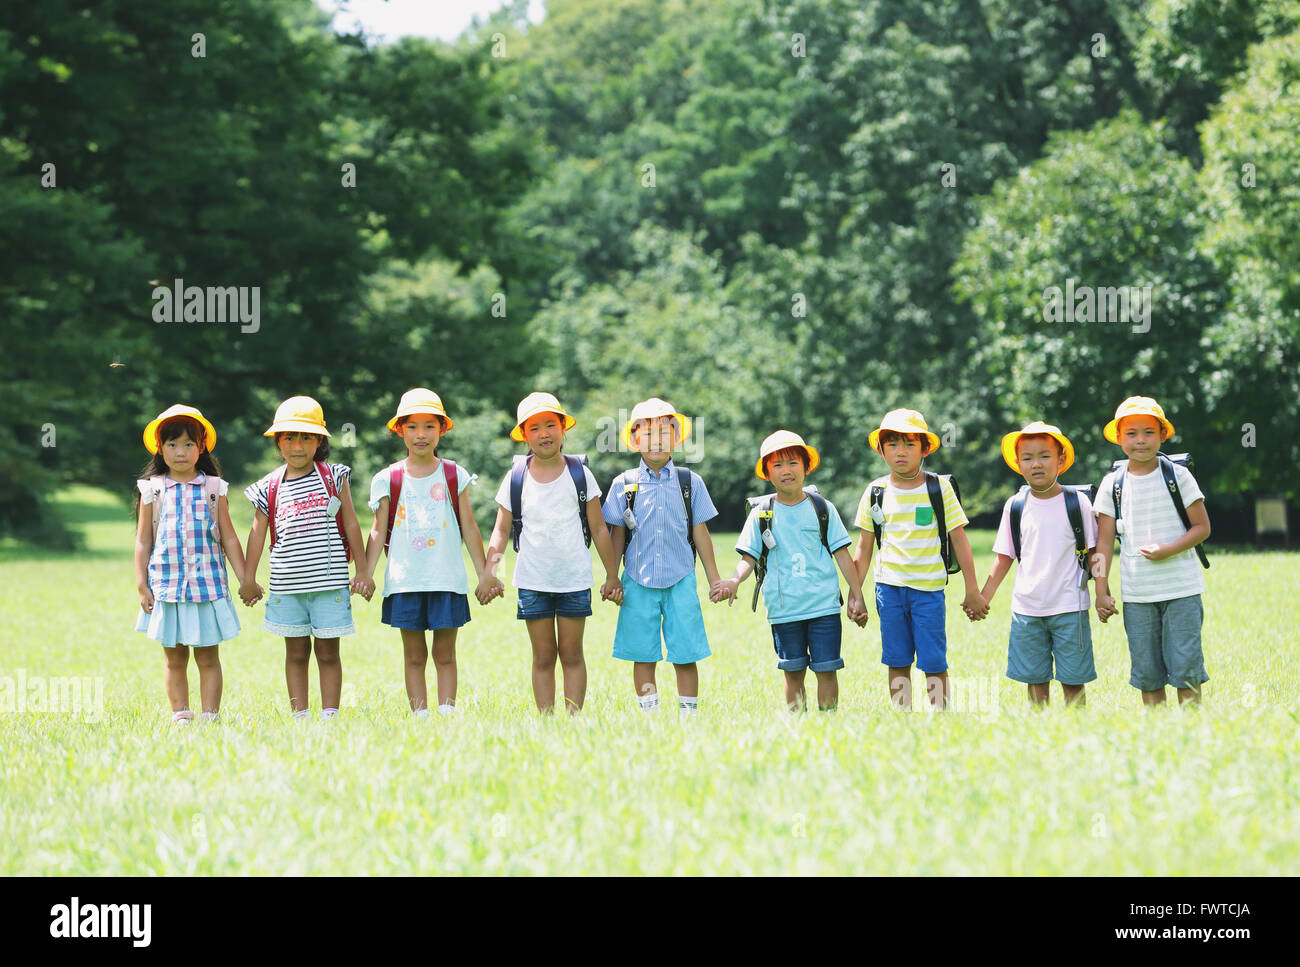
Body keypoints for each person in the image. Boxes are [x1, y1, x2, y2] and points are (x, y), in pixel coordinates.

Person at [363, 388, 502, 718]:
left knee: (445, 654)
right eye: (412, 426)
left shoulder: (454, 474)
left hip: (446, 579)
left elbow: (469, 527)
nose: (421, 435)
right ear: (400, 430)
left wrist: (486, 573)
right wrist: (365, 573)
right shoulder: (387, 478)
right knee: (413, 656)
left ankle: (447, 715)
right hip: (404, 581)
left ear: (442, 429)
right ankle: (420, 717)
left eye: (429, 426)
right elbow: (377, 530)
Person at [486, 392, 620, 713]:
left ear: (563, 428)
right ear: (524, 436)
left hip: (574, 580)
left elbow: (600, 529)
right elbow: (502, 530)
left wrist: (612, 575)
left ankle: (573, 719)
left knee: (572, 654)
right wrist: (491, 572)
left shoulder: (580, 475)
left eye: (550, 425)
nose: (543, 434)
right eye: (534, 428)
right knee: (543, 656)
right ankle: (546, 720)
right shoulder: (516, 477)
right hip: (533, 582)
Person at [242, 396, 373, 721]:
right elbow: (257, 533)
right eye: (289, 437)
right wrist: (248, 578)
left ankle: (330, 714)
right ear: (278, 441)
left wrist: (363, 570)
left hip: (330, 584)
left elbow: (352, 522)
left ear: (319, 441)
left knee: (328, 651)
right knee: (295, 652)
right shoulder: (269, 486)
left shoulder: (333, 477)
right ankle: (299, 714)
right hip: (287, 586)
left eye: (305, 437)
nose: (297, 445)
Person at [715, 431, 867, 711]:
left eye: (793, 463)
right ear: (767, 474)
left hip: (824, 606)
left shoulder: (822, 507)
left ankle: (828, 723)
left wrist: (856, 594)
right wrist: (735, 579)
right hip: (784, 610)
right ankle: (797, 724)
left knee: (827, 669)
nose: (786, 471)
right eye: (777, 465)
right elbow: (748, 558)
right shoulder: (761, 513)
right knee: (793, 671)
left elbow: (842, 555)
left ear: (806, 467)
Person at [850, 408, 986, 709]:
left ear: (925, 448)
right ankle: (903, 716)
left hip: (929, 591)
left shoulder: (939, 488)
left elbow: (960, 541)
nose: (901, 452)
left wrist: (972, 590)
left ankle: (941, 714)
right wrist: (856, 594)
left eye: (910, 444)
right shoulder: (875, 492)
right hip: (888, 589)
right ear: (881, 449)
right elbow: (864, 547)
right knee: (896, 659)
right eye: (894, 444)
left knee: (934, 661)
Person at [602, 398, 725, 716]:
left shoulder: (689, 483)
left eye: (664, 433)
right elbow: (617, 536)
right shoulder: (624, 484)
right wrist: (612, 577)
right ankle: (650, 715)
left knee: (685, 654)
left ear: (676, 438)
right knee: (643, 654)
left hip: (681, 578)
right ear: (635, 440)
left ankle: (689, 716)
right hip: (636, 580)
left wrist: (714, 580)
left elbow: (701, 533)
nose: (656, 440)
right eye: (647, 433)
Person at [134, 404, 249, 724]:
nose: (180, 452)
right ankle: (181, 715)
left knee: (209, 656)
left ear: (201, 447)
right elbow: (144, 540)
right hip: (167, 586)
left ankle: (210, 716)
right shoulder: (153, 489)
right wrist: (142, 584)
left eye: (188, 444)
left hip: (207, 586)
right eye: (172, 444)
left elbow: (228, 538)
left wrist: (245, 579)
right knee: (174, 657)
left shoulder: (214, 488)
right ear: (160, 448)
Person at [1093, 397, 1210, 705]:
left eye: (1148, 432)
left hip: (1181, 590)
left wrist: (1168, 549)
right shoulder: (1111, 485)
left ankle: (1191, 731)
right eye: (1131, 433)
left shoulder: (1178, 476)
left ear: (1162, 435)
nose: (1140, 440)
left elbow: (1202, 528)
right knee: (1148, 674)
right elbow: (1103, 543)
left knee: (1186, 669)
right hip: (1138, 596)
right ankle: (1156, 733)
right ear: (1119, 438)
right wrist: (1101, 590)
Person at [978, 422, 1097, 706]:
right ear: (1018, 464)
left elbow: (1096, 554)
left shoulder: (1077, 503)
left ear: (1061, 459)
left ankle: (1076, 728)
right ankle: (1040, 728)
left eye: (1045, 456)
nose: (1037, 464)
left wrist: (1102, 591)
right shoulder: (1015, 506)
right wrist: (983, 597)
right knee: (1034, 680)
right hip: (1027, 609)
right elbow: (1004, 557)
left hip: (1071, 606)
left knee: (1073, 680)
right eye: (1028, 458)